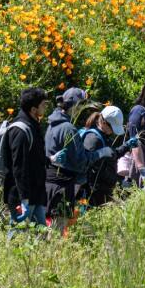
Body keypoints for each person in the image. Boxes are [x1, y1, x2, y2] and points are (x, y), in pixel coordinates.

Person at [43, 88, 102, 221]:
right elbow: (80, 163)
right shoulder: (69, 128)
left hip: (48, 183)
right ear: (76, 106)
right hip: (62, 186)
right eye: (81, 105)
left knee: (45, 227)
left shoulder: (51, 124)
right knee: (58, 229)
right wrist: (98, 154)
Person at [4, 87, 50, 226]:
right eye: (43, 104)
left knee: (39, 235)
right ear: (33, 109)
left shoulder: (33, 125)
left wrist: (49, 160)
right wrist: (24, 199)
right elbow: (18, 167)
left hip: (36, 194)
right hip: (23, 196)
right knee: (17, 237)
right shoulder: (20, 130)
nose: (46, 106)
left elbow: (33, 158)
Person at [80, 106, 137, 207]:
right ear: (104, 122)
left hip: (104, 189)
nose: (113, 132)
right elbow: (91, 169)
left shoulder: (104, 137)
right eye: (112, 128)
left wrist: (126, 146)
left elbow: (111, 156)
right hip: (93, 194)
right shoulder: (93, 139)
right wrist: (118, 182)